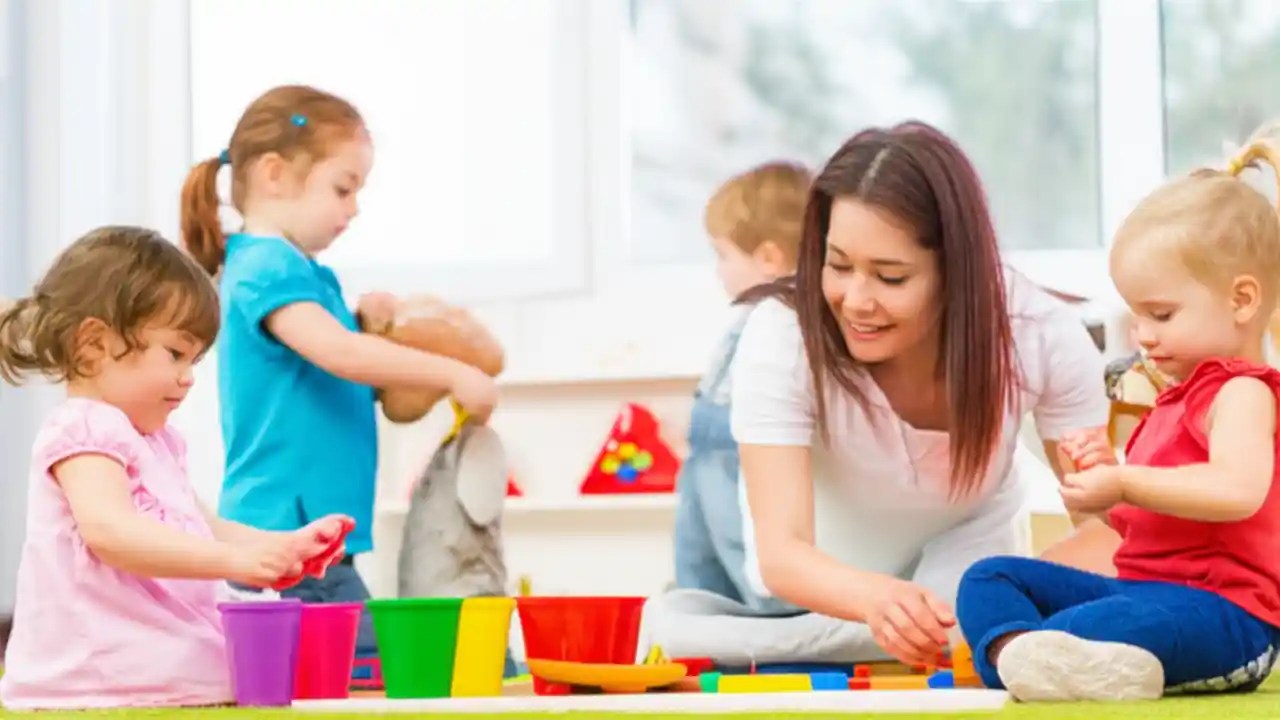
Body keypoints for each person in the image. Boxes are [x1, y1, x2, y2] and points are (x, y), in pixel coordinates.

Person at [644, 120, 1113, 667]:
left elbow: (1109, 531)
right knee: (708, 639)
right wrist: (875, 601)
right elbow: (782, 554)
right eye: (838, 266)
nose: (857, 301)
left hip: (962, 568)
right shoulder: (782, 333)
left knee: (956, 624)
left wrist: (1018, 588)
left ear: (958, 271)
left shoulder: (1037, 332)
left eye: (890, 277)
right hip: (817, 588)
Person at [178, 84, 499, 677]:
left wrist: (374, 324)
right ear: (274, 173)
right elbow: (342, 354)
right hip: (282, 540)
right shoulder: (262, 266)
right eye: (343, 188)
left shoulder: (309, 275)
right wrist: (455, 371)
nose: (352, 209)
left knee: (379, 672)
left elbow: (370, 384)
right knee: (408, 670)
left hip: (316, 546)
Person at [954, 135, 1280, 702]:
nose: (1142, 335)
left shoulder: (1243, 393)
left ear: (1243, 300)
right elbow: (1155, 525)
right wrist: (1102, 498)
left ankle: (1048, 654)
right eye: (1136, 315)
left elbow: (1237, 491)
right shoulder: (1171, 401)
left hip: (1229, 616)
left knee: (1129, 620)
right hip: (1144, 589)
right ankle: (1027, 655)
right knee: (989, 578)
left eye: (1161, 314)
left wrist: (1126, 478)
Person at [0, 227, 348, 709]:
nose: (187, 378)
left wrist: (279, 547)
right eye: (175, 354)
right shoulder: (84, 429)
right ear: (93, 346)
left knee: (246, 664)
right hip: (96, 673)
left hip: (151, 661)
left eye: (195, 360)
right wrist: (236, 563)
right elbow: (111, 532)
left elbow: (202, 526)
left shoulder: (154, 442)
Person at [673, 160, 810, 610]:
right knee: (699, 574)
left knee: (752, 573)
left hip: (739, 468)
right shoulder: (749, 316)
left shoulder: (785, 323)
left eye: (723, 254)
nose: (719, 270)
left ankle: (773, 637)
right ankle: (709, 639)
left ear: (768, 258)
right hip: (704, 466)